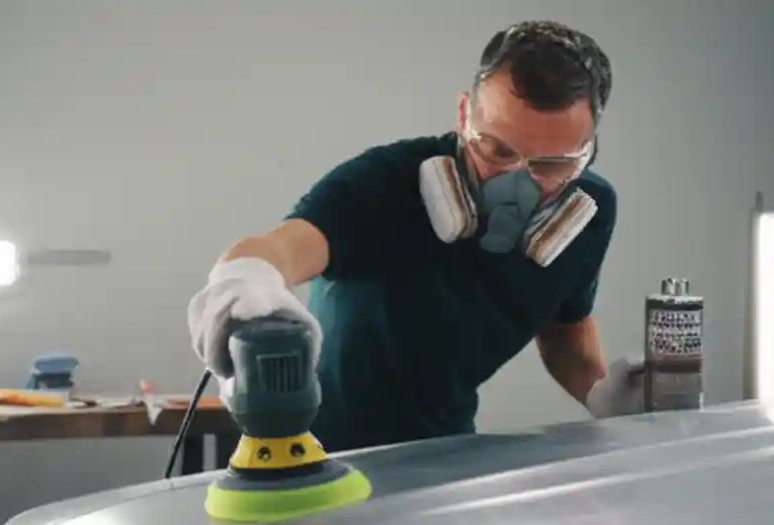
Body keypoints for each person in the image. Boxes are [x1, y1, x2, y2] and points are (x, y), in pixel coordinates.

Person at [188, 20, 643, 453]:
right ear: (465, 115)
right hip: (317, 452)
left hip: (443, 453)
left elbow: (565, 330)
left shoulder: (588, 214)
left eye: (552, 166)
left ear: (587, 153)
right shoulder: (386, 183)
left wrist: (602, 394)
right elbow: (282, 247)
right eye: (498, 150)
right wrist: (245, 280)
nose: (518, 182)